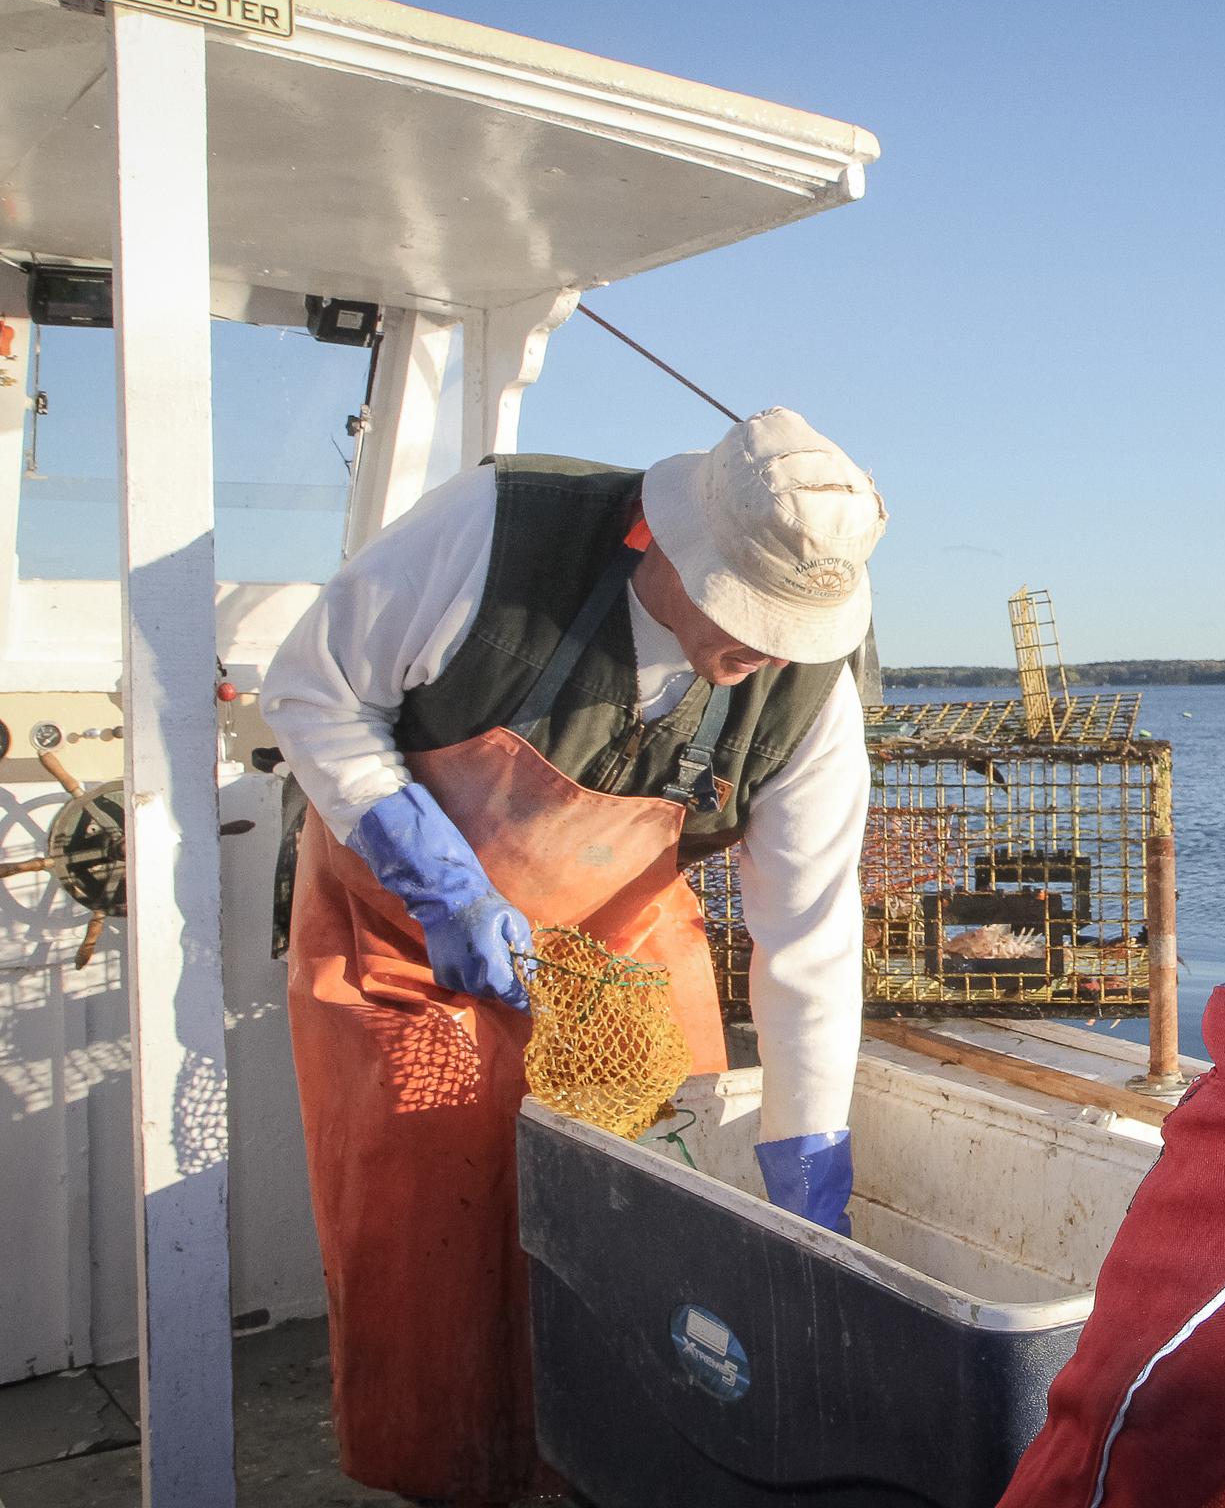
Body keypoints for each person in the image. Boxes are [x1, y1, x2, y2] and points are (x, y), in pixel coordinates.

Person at [266, 408, 887, 1506]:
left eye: (796, 626)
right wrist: (438, 878)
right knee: (428, 1243)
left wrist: (808, 1157)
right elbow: (311, 689)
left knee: (657, 1224)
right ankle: (450, 1478)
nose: (768, 650)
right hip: (408, 933)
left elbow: (808, 935)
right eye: (750, 612)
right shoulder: (496, 532)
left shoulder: (810, 693)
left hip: (622, 958)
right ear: (671, 539)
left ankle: (613, 1467)